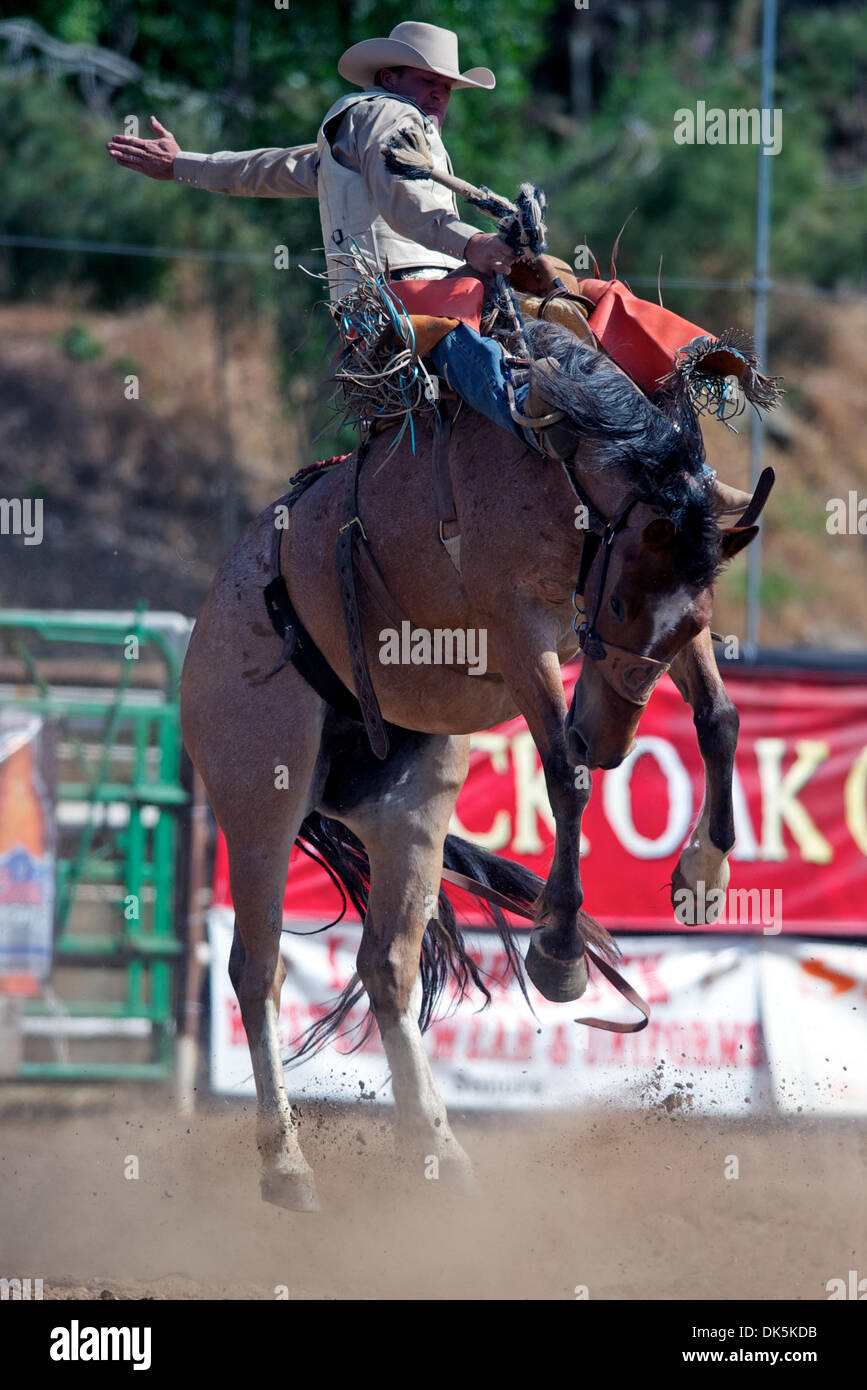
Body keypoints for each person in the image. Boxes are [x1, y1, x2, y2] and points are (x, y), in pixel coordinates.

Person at [106, 20, 550, 448]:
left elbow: (263, 170)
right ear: (389, 77)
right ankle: (530, 418)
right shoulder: (389, 113)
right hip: (404, 300)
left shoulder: (355, 128)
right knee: (537, 314)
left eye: (447, 86)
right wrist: (473, 243)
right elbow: (403, 199)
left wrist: (181, 165)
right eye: (426, 79)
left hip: (372, 313)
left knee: (543, 289)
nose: (439, 92)